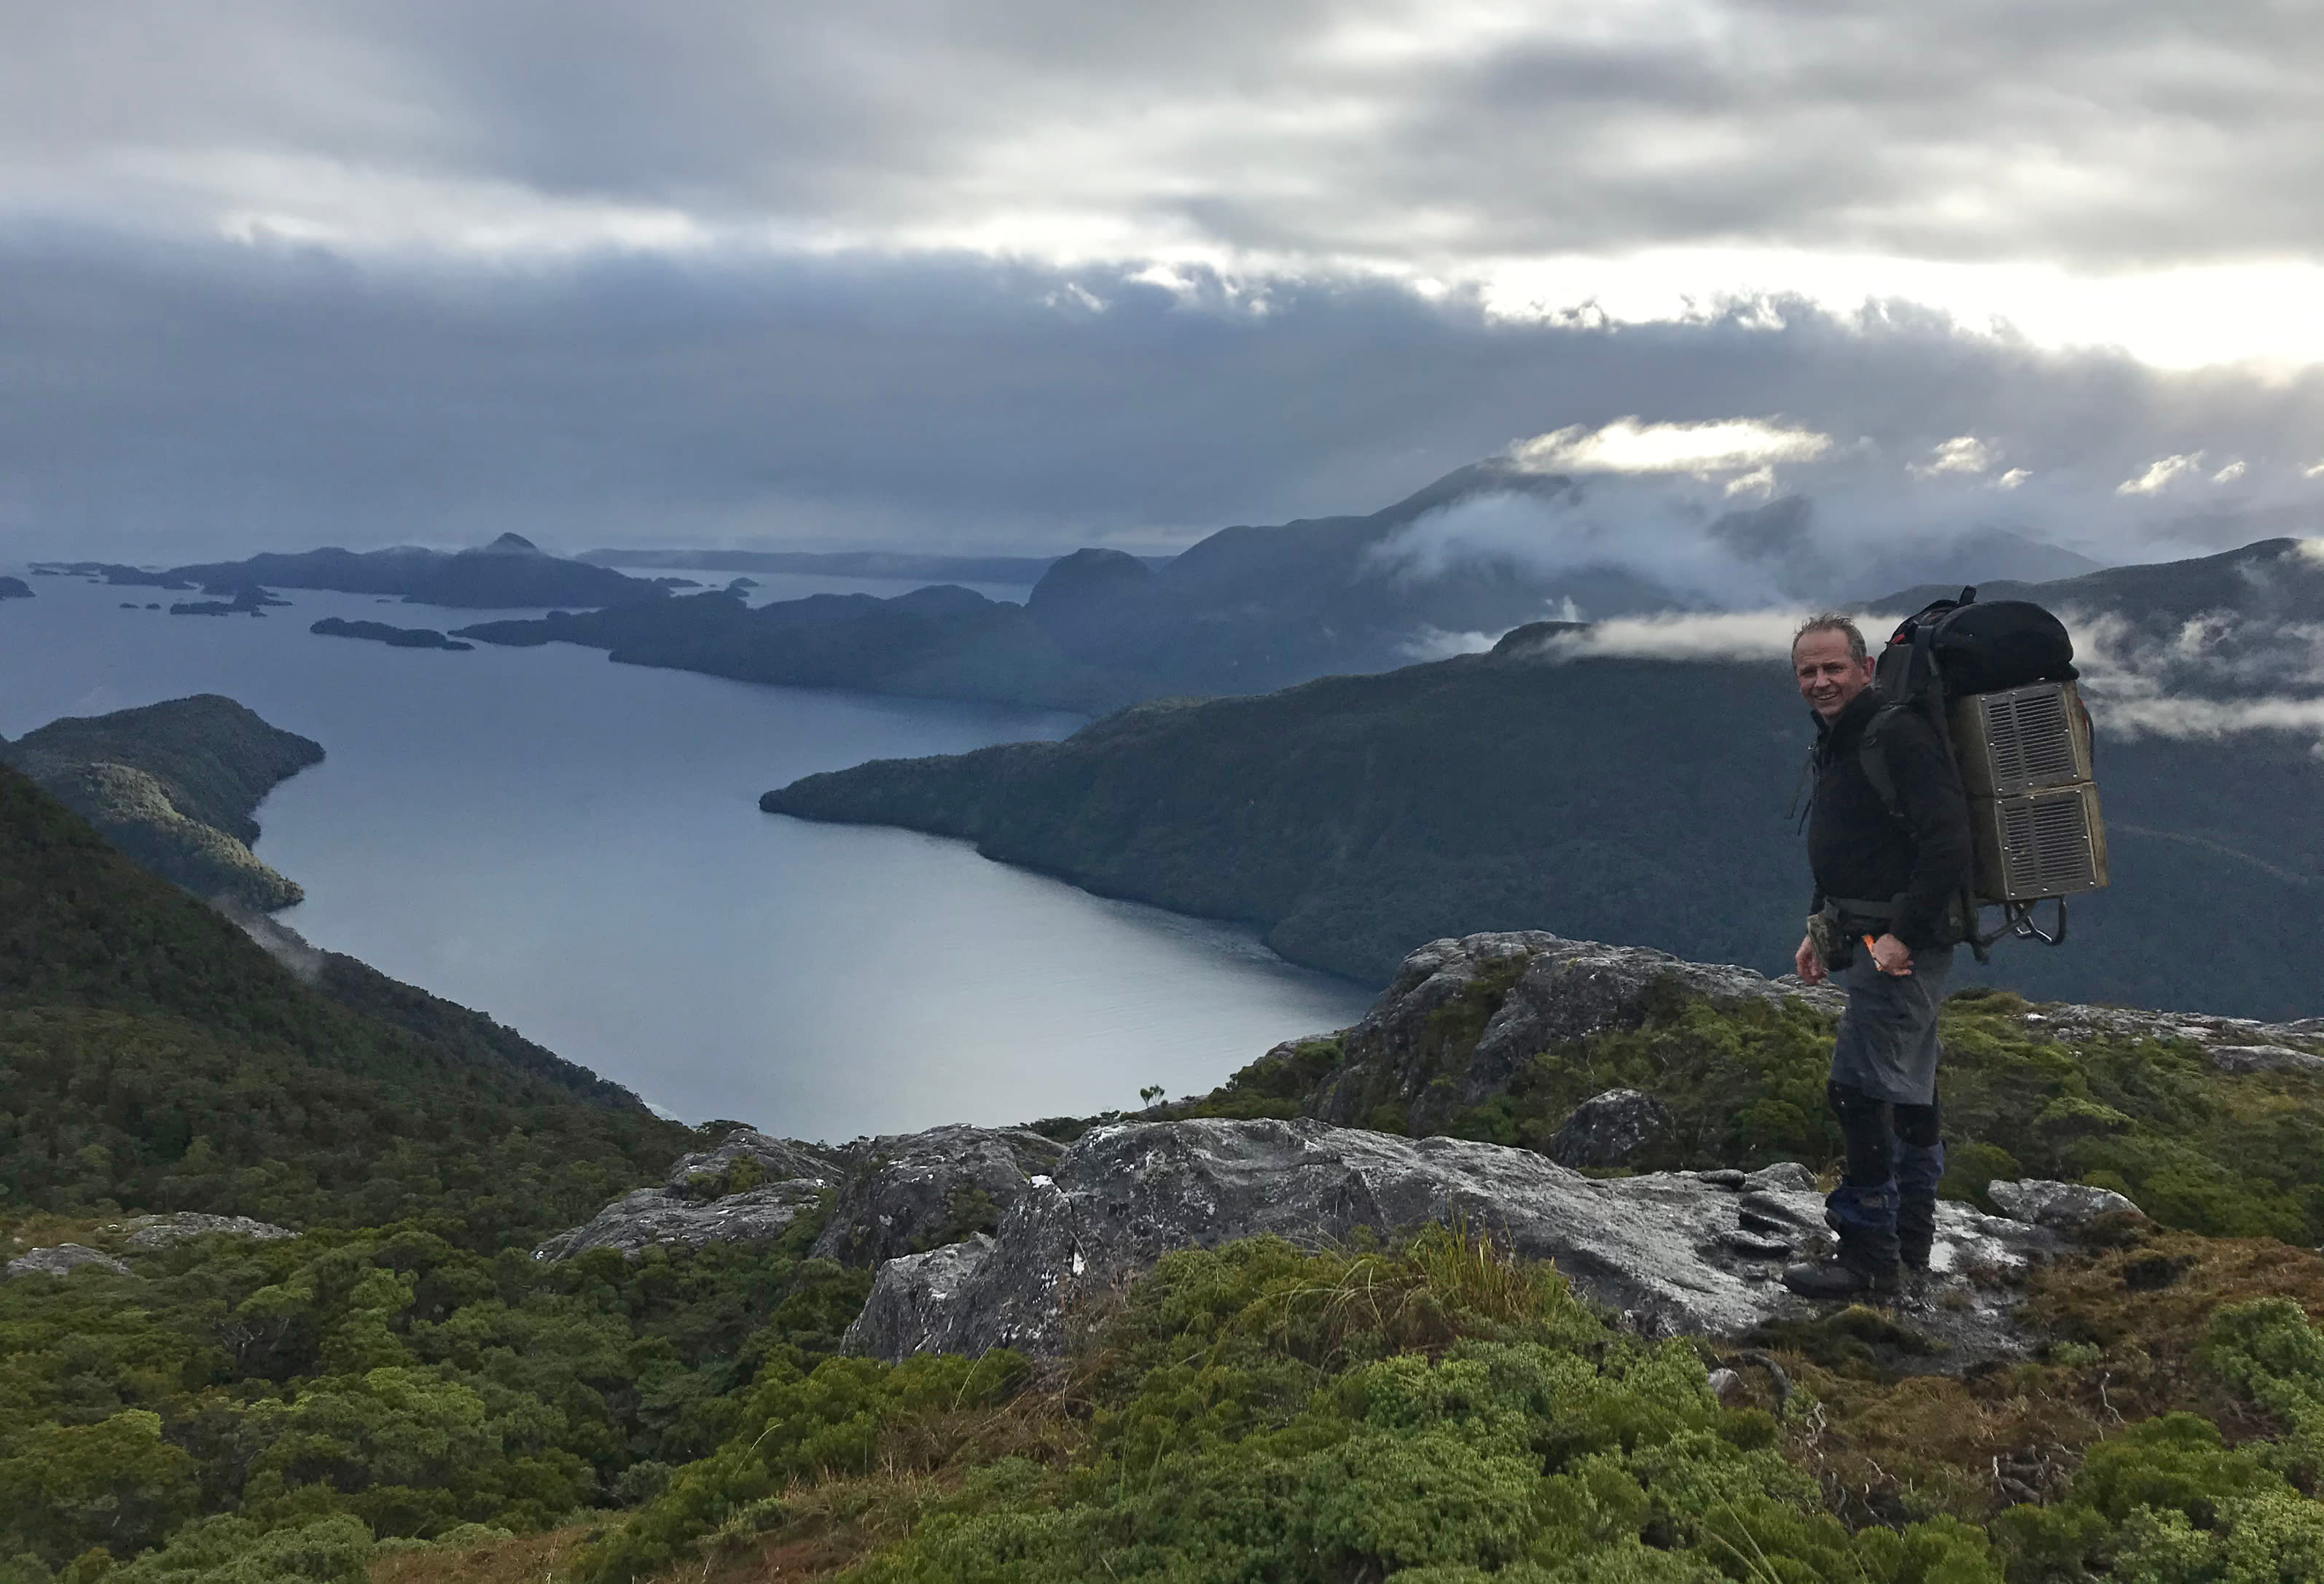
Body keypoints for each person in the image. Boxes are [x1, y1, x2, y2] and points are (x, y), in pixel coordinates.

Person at [1783, 613, 1973, 1300]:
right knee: (1910, 1090)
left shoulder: (1895, 734)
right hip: (1866, 933)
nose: (1820, 681)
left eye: (1832, 667)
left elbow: (1949, 842)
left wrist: (1902, 934)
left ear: (1865, 669)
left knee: (1857, 1090)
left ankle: (1867, 1257)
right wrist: (1819, 927)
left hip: (1897, 946)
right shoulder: (1841, 737)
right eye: (1807, 671)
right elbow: (1852, 843)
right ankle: (1909, 1239)